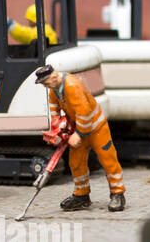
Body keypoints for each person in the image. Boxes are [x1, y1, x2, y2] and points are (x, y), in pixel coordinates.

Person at [35, 64, 126, 211]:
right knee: (76, 162)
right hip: (78, 129)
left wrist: (79, 135)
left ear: (53, 77)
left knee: (108, 159)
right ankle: (81, 195)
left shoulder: (72, 86)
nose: (45, 86)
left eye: (45, 83)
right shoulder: (54, 89)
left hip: (96, 128)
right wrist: (57, 126)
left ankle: (117, 193)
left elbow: (85, 113)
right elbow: (53, 106)